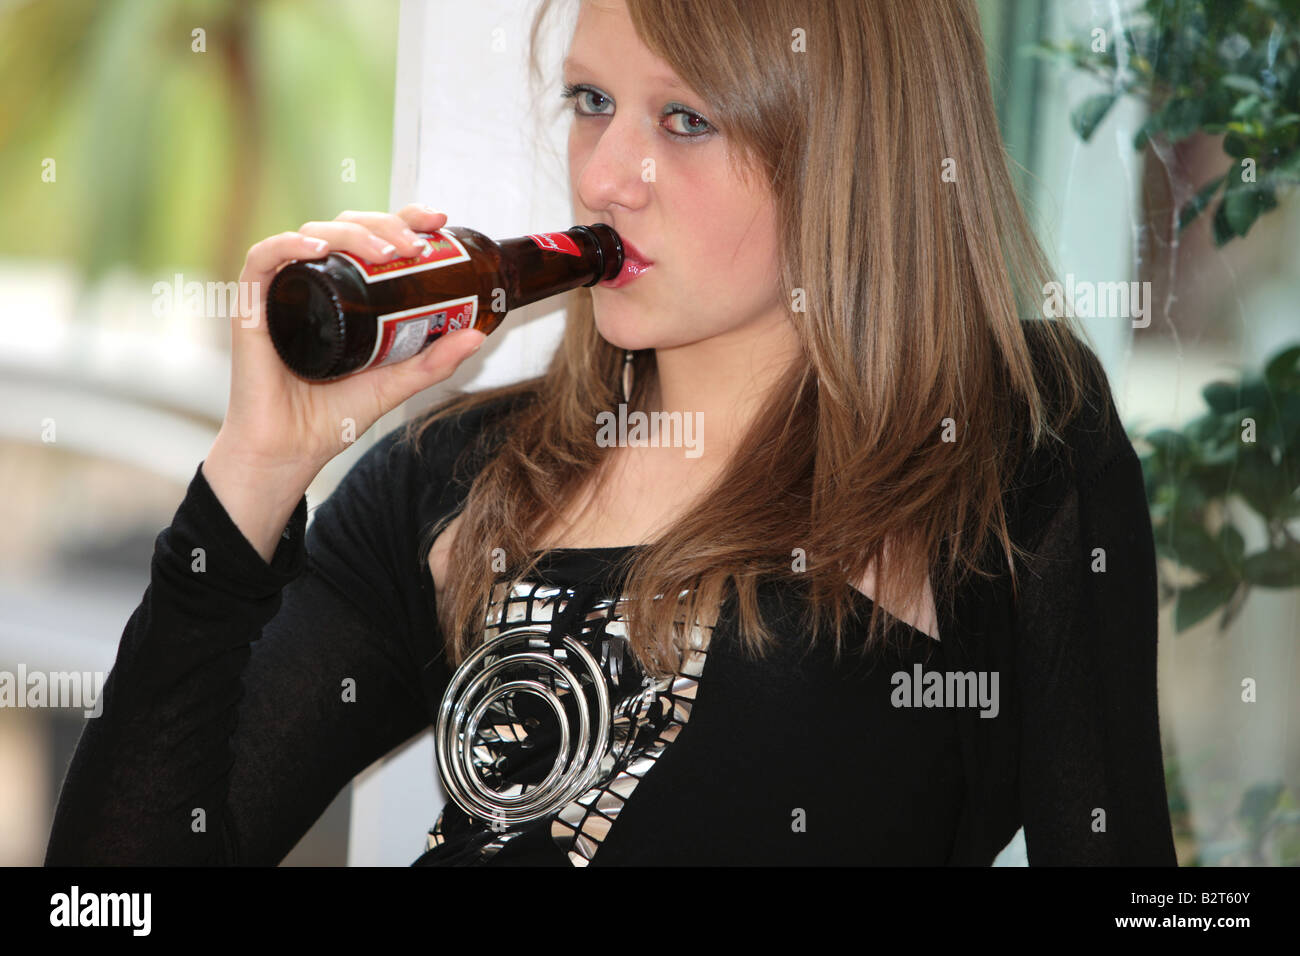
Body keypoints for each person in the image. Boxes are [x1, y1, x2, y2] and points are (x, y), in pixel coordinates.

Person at [44, 0, 1177, 866]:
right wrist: (258, 465)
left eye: (685, 119)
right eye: (591, 102)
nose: (602, 178)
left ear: (853, 143)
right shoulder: (456, 477)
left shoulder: (1004, 434)